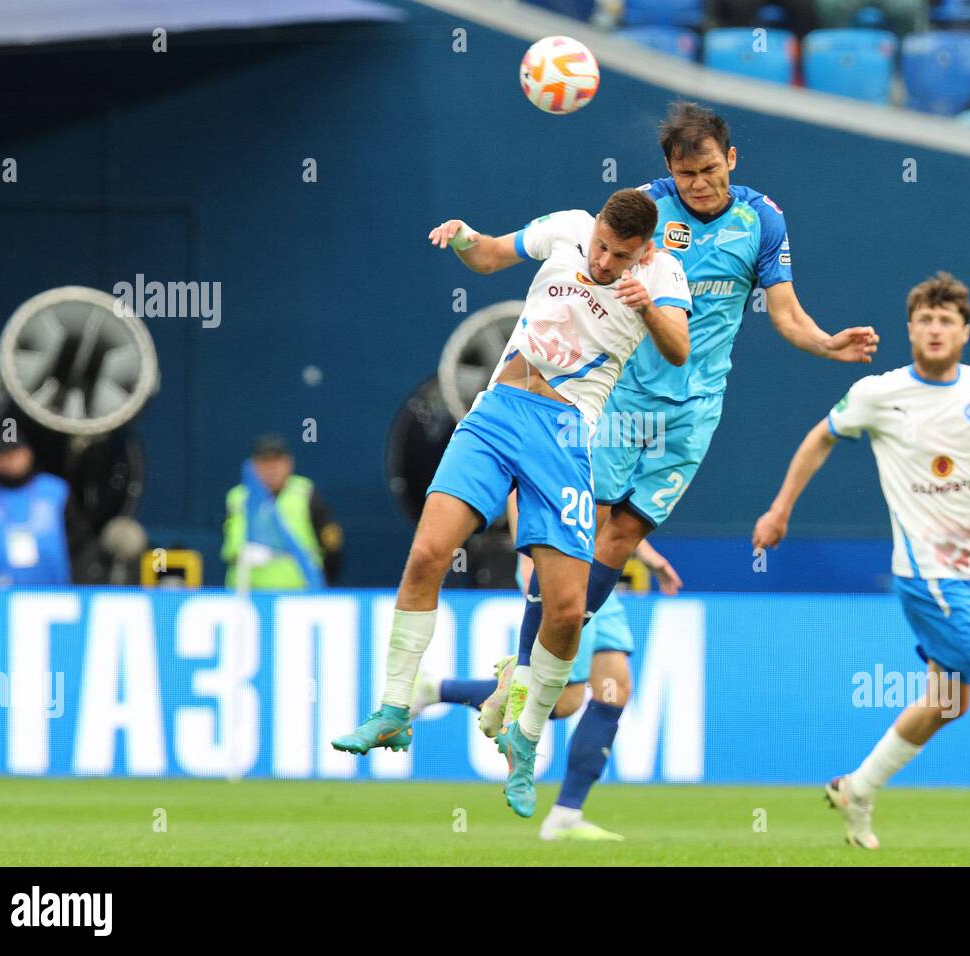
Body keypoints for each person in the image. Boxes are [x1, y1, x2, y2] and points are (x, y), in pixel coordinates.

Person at [494, 101, 878, 838]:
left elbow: (785, 312)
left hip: (692, 415)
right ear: (669, 172)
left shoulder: (763, 221)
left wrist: (827, 344)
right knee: (580, 542)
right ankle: (523, 684)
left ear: (731, 158)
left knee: (617, 545)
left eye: (707, 171)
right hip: (618, 398)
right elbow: (592, 274)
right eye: (685, 173)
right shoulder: (647, 209)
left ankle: (537, 687)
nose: (697, 185)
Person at [330, 189, 693, 819]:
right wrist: (468, 238)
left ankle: (523, 743)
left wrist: (650, 309)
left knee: (567, 607)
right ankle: (392, 709)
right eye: (602, 245)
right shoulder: (570, 227)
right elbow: (494, 256)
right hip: (496, 413)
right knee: (426, 554)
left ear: (643, 250)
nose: (603, 261)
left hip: (565, 435)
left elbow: (679, 349)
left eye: (619, 255)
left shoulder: (662, 273)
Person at [752, 272, 970, 850]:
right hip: (925, 576)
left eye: (947, 321)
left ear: (965, 332)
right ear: (910, 329)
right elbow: (821, 437)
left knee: (947, 702)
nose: (936, 329)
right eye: (925, 320)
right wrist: (780, 508)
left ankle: (857, 787)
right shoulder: (879, 393)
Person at [410, 492, 684, 841]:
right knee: (564, 702)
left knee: (615, 685)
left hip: (599, 576)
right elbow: (519, 484)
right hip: (562, 573)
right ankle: (436, 690)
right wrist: (529, 557)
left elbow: (610, 511)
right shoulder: (566, 437)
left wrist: (646, 555)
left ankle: (567, 813)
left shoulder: (605, 443)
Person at [0, 427, 90, 586]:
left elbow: (81, 537)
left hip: (51, 593)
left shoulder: (55, 491)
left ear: (28, 454)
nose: (10, 460)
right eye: (3, 455)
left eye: (15, 453)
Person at [222, 435, 343, 589]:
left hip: (299, 597)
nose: (271, 469)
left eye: (277, 461)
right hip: (249, 597)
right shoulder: (238, 498)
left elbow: (332, 545)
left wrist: (320, 587)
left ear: (289, 463)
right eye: (264, 462)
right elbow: (231, 546)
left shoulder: (305, 493)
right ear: (252, 466)